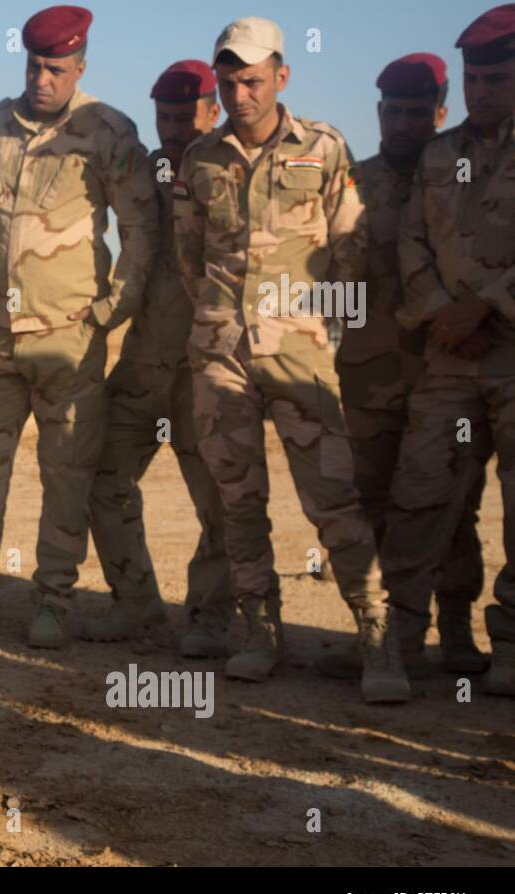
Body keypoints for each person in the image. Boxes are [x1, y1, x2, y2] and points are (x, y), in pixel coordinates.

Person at [0, 4, 158, 648]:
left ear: (79, 66)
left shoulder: (107, 130)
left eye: (55, 68)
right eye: (34, 65)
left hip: (69, 340)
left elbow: (140, 231)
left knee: (66, 472)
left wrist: (107, 314)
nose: (42, 78)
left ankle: (53, 602)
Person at [173, 17, 404, 703]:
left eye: (251, 79)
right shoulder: (200, 160)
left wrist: (308, 322)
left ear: (281, 75)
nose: (239, 93)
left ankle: (375, 630)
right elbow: (190, 258)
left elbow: (350, 249)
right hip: (221, 354)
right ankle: (257, 626)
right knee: (238, 500)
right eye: (228, 80)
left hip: (300, 351)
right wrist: (224, 320)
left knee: (333, 498)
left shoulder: (325, 149)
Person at [318, 53, 489, 681]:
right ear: (379, 113)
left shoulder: (465, 179)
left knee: (454, 503)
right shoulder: (353, 186)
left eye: (419, 113)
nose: (405, 124)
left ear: (440, 113)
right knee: (374, 502)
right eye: (394, 112)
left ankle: (457, 631)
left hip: (448, 370)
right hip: (369, 374)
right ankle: (381, 637)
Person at [380, 4, 515, 697]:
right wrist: (440, 310)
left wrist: (489, 303)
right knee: (421, 492)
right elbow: (411, 242)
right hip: (449, 360)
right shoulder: (441, 155)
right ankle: (400, 638)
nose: (481, 92)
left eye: (495, 79)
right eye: (472, 79)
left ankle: (511, 644)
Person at [84, 59, 235, 655]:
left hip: (207, 370)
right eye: (163, 117)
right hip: (146, 366)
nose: (172, 128)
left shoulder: (230, 169)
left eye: (184, 116)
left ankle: (212, 617)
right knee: (103, 477)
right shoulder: (145, 170)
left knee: (221, 500)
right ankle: (138, 606)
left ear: (212, 110)